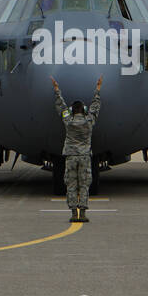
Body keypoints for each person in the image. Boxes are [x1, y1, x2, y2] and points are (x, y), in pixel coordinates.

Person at [52, 75, 102, 223]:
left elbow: (60, 107)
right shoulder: (89, 121)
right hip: (85, 156)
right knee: (84, 185)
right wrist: (98, 89)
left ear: (72, 111)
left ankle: (74, 213)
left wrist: (57, 90)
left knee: (71, 184)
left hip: (71, 156)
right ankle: (83, 212)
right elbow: (95, 106)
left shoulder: (68, 121)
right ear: (84, 110)